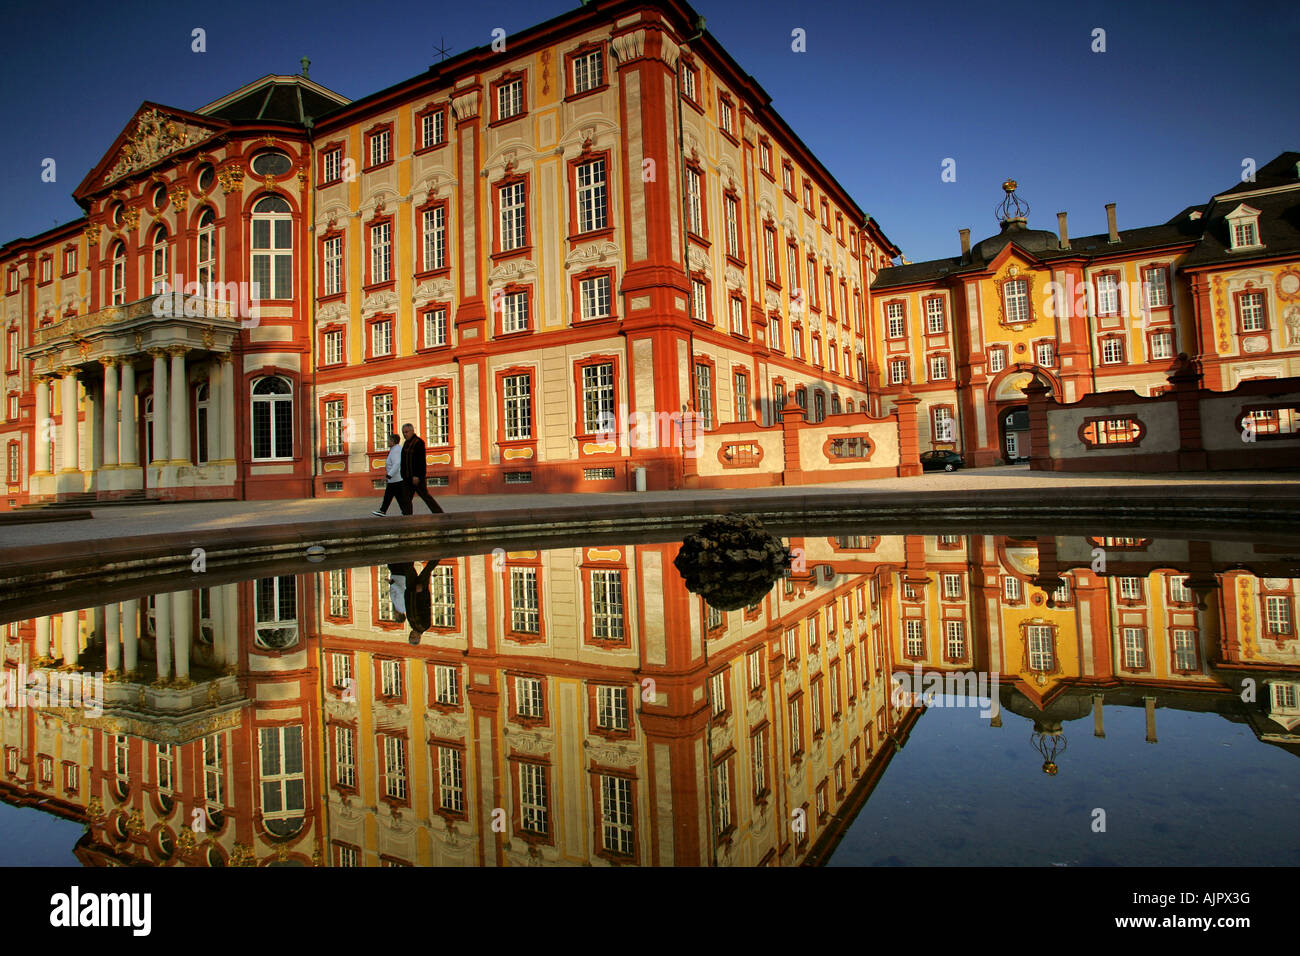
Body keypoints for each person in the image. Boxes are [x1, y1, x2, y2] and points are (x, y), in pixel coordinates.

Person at [400, 422, 444, 514]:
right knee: (406, 499)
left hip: (417, 478)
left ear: (412, 431)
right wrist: (403, 474)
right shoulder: (405, 443)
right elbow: (403, 461)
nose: (405, 434)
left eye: (406, 432)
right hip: (407, 477)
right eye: (403, 432)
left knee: (425, 496)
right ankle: (407, 517)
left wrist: (417, 475)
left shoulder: (418, 442)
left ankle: (439, 513)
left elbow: (420, 461)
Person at [373, 433, 411, 516]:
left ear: (393, 441)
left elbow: (397, 464)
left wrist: (388, 475)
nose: (388, 441)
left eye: (389, 440)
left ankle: (405, 513)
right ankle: (385, 511)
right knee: (392, 496)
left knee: (395, 497)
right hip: (395, 479)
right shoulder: (395, 449)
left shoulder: (396, 450)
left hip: (396, 478)